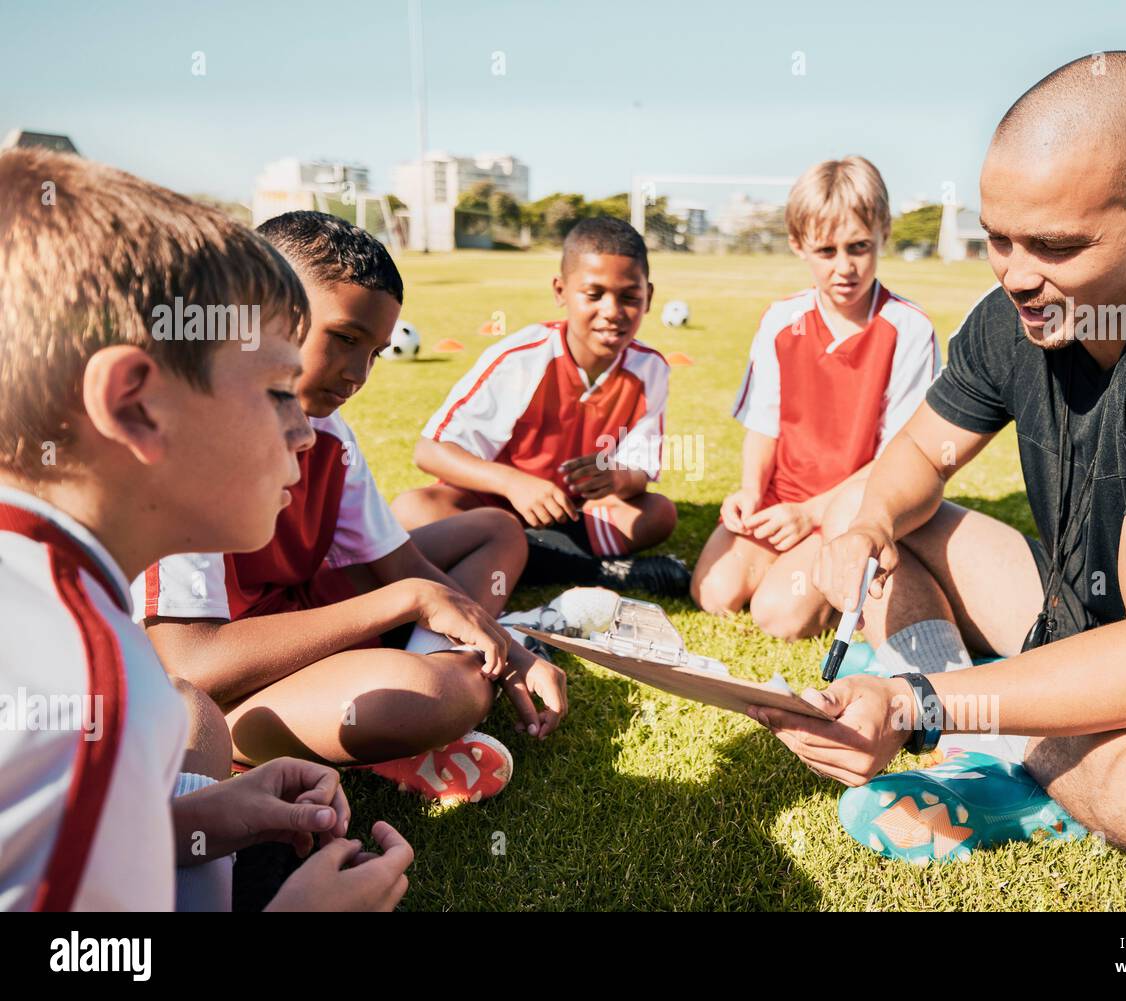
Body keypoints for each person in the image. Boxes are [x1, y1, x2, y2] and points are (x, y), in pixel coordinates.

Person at [751, 52, 1126, 886]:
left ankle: (1008, 747)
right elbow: (916, 459)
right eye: (997, 237)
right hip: (1086, 636)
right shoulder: (1024, 307)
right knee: (894, 519)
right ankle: (1024, 740)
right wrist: (866, 523)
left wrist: (919, 702)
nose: (1015, 275)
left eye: (1054, 245)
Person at [0, 149, 410, 911]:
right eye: (277, 390)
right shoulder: (81, 685)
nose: (304, 433)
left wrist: (195, 819)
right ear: (135, 403)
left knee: (195, 721)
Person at [138, 211, 567, 806]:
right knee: (440, 693)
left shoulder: (328, 428)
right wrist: (408, 604)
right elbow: (192, 662)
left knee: (496, 532)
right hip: (214, 690)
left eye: (376, 352)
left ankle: (425, 676)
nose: (359, 373)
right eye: (344, 339)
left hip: (295, 620)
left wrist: (513, 654)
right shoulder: (186, 438)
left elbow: (403, 563)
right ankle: (270, 741)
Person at [691, 156, 940, 639]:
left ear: (884, 232)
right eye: (826, 251)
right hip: (784, 497)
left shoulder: (909, 329)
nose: (844, 267)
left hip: (854, 508)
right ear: (797, 244)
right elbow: (764, 425)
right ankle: (788, 559)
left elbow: (901, 455)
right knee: (715, 594)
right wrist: (750, 492)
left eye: (859, 247)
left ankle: (850, 563)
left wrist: (812, 515)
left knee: (778, 616)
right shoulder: (780, 320)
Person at [391, 216, 690, 596]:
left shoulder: (650, 368)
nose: (613, 311)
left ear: (649, 296)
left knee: (658, 514)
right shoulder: (522, 357)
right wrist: (514, 483)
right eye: (594, 295)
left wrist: (616, 477)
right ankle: (593, 571)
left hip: (571, 514)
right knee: (413, 510)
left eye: (629, 297)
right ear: (561, 290)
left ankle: (525, 558)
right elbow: (430, 451)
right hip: (490, 508)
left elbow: (639, 471)